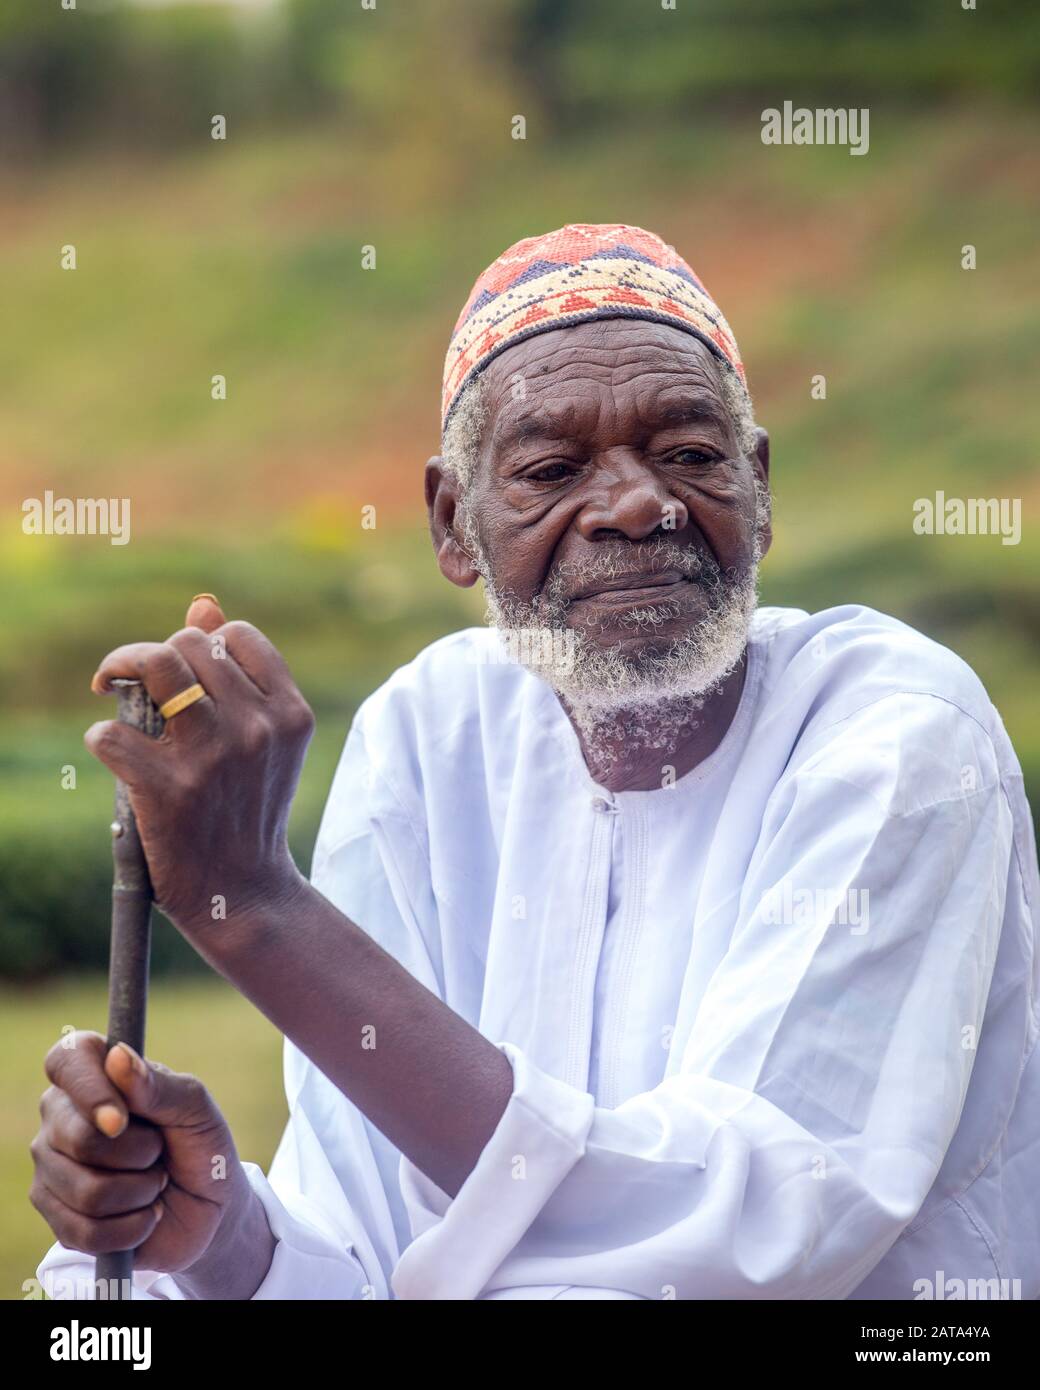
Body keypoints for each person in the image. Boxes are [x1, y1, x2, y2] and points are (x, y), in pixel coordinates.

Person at [32, 224, 1040, 1300]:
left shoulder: (894, 731)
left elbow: (743, 1231)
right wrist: (215, 1226)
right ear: (452, 523)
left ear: (758, 488)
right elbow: (374, 1255)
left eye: (689, 456)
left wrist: (257, 907)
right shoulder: (427, 736)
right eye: (553, 469)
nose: (634, 505)